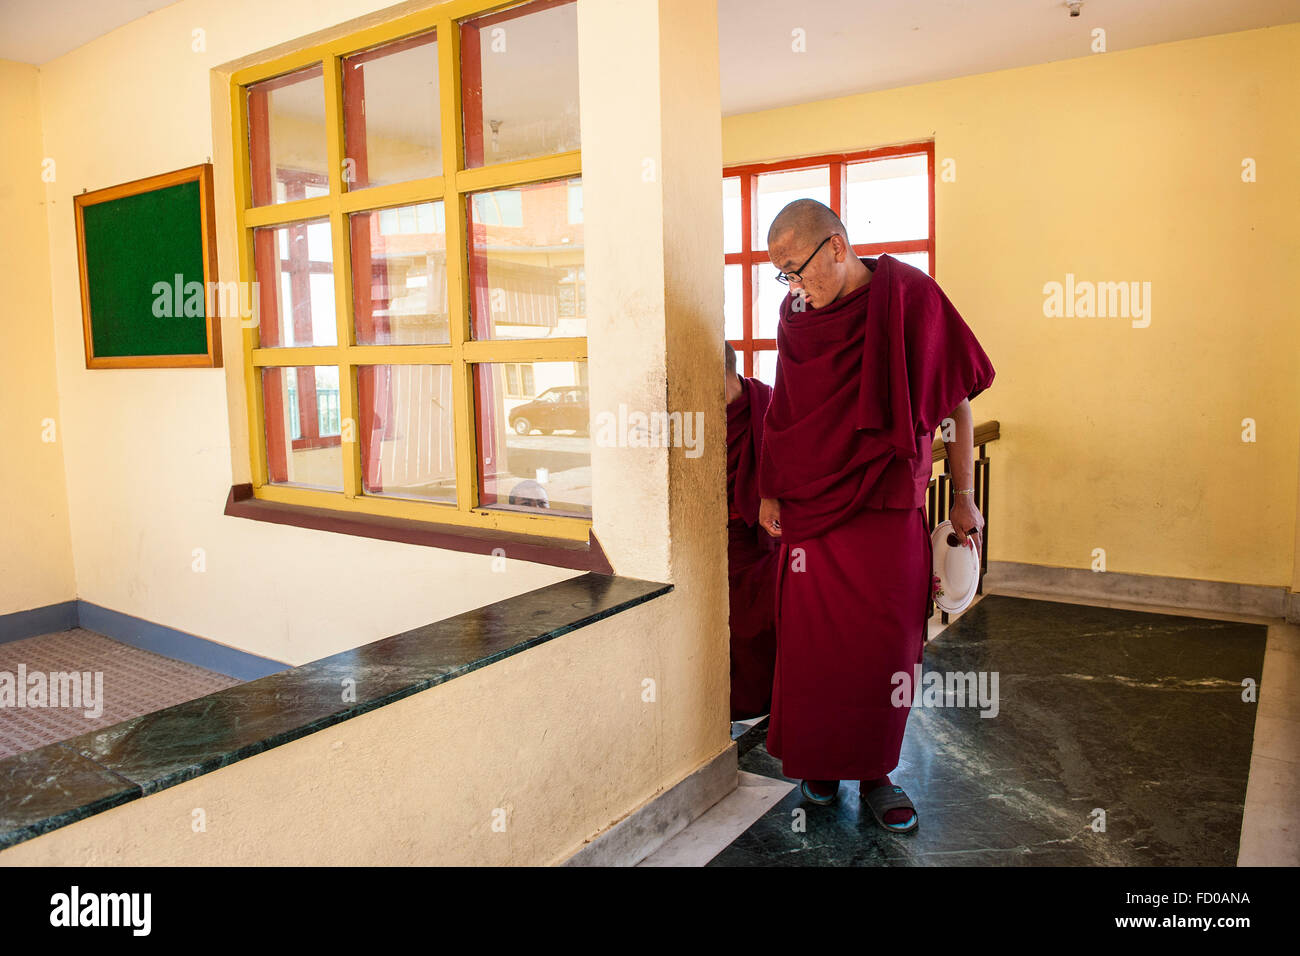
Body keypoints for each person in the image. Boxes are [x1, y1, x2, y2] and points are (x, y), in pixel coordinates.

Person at [757, 199, 995, 832]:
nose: (793, 286)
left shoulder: (910, 297)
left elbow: (960, 402)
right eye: (781, 274)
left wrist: (965, 498)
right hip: (814, 514)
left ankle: (877, 773)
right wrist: (769, 489)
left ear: (837, 246)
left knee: (884, 648)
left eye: (797, 268)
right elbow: (787, 409)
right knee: (814, 651)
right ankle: (820, 765)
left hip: (887, 512)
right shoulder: (797, 319)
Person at [724, 342, 779, 721]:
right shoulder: (689, 414)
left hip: (762, 539)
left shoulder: (769, 404)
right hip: (712, 539)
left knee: (763, 628)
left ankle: (769, 703)